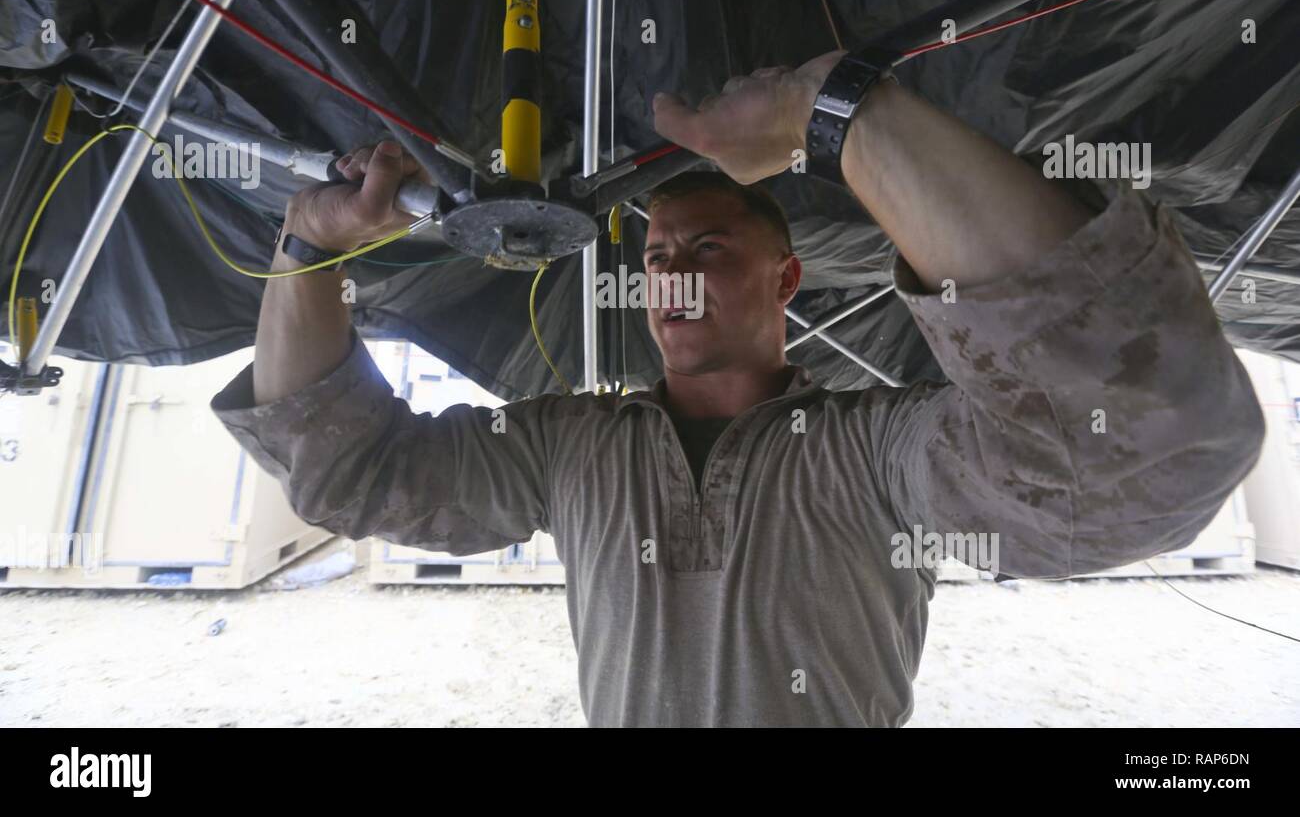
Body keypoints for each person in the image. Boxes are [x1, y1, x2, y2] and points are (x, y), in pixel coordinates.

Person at [211, 49, 1264, 726]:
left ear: (786, 276)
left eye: (706, 245)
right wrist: (308, 246)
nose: (667, 268)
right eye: (658, 247)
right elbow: (349, 469)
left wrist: (837, 115)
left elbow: (1138, 456)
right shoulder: (573, 445)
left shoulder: (875, 456)